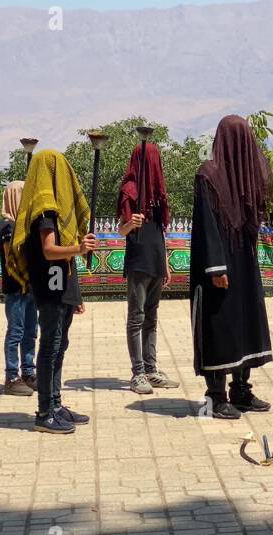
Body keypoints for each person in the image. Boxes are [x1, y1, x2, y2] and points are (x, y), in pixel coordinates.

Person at [6, 150, 98, 434]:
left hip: (63, 288)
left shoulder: (56, 211)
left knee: (60, 346)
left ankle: (56, 404)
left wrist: (76, 294)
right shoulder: (44, 212)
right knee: (49, 347)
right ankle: (45, 411)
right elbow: (49, 250)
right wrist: (79, 248)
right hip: (50, 287)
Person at [191, 115, 273, 420]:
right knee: (220, 328)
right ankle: (215, 396)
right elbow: (207, 226)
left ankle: (241, 390)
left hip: (244, 263)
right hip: (218, 267)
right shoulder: (208, 174)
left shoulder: (248, 174)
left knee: (244, 325)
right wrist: (216, 268)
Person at [117, 141, 179, 395]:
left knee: (152, 318)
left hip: (155, 261)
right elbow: (121, 230)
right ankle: (138, 372)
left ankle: (151, 369)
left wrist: (164, 260)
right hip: (138, 262)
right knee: (137, 317)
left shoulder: (157, 193)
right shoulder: (129, 190)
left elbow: (160, 231)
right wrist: (131, 222)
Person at [0, 180, 38, 396]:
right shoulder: (8, 226)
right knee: (16, 332)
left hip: (30, 286)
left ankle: (29, 372)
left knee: (31, 331)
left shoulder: (23, 225)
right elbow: (11, 257)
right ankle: (11, 377)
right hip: (16, 287)